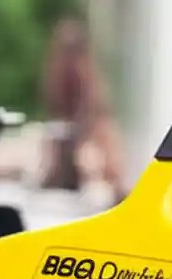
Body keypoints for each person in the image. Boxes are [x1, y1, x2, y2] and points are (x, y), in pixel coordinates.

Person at [40, 15, 126, 204]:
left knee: (92, 157)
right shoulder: (60, 74)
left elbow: (94, 114)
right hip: (71, 147)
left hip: (91, 144)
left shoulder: (89, 80)